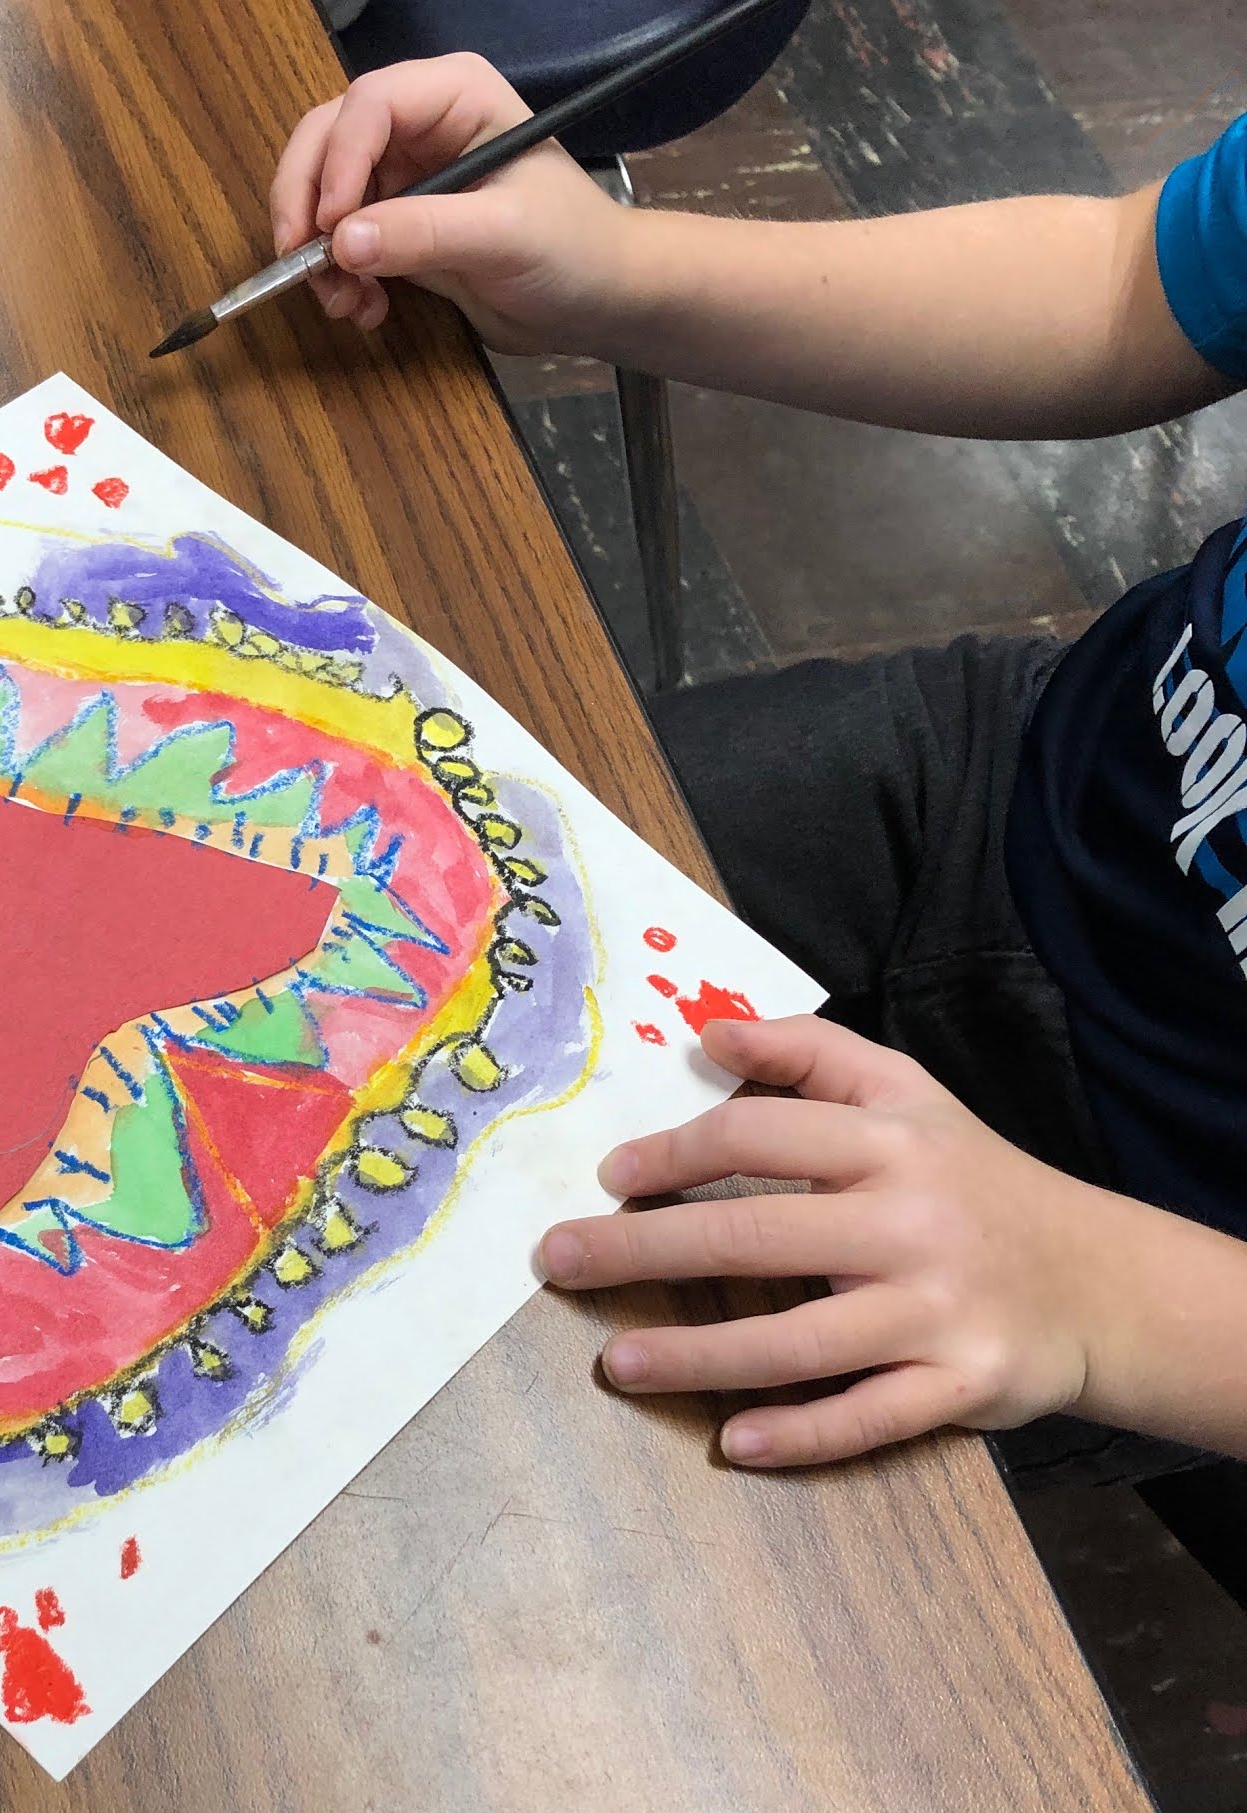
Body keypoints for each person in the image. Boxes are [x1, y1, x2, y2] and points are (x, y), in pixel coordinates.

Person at [269, 55, 1247, 1485]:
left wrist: (1099, 1298)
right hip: (1017, 774)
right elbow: (1126, 289)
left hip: (1154, 1226)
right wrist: (610, 269)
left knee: (520, 1470)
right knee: (364, 906)